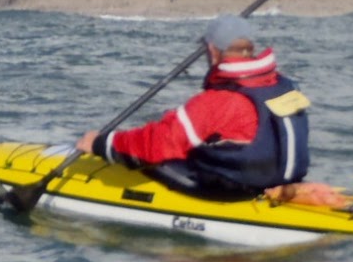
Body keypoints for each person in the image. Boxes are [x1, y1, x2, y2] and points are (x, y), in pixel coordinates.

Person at [74, 14, 312, 199]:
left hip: (237, 189)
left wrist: (101, 143)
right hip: (283, 180)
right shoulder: (284, 85)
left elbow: (157, 144)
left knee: (155, 156)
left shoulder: (219, 101)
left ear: (211, 51)